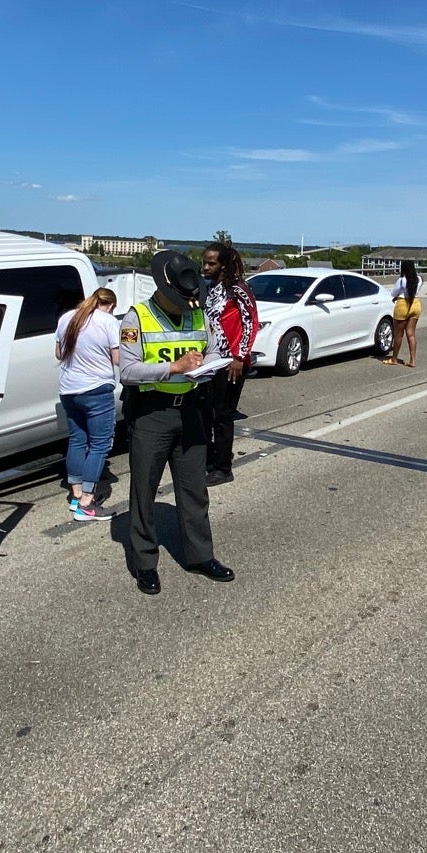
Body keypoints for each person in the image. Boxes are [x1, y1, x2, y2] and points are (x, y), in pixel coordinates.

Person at [117, 250, 234, 595]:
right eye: (179, 302)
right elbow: (128, 371)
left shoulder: (197, 313)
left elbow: (215, 348)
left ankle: (201, 556)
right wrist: (174, 368)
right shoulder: (137, 318)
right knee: (144, 490)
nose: (186, 307)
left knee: (194, 489)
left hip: (191, 411)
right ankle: (145, 562)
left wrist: (208, 364)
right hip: (152, 413)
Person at [55, 287, 121, 521]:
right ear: (110, 305)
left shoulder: (66, 318)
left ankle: (75, 496)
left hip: (68, 389)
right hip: (96, 389)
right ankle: (87, 504)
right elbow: (117, 359)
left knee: (77, 440)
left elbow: (59, 354)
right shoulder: (108, 321)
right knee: (99, 445)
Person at [200, 241, 259, 486]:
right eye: (204, 262)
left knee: (223, 416)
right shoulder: (210, 287)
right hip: (210, 361)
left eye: (211, 263)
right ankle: (210, 458)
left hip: (231, 362)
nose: (205, 267)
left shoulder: (239, 289)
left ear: (223, 264)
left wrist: (239, 357)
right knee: (206, 412)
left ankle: (223, 468)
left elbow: (250, 322)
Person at [385, 260, 422, 366]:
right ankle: (412, 360)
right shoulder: (419, 279)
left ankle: (394, 359)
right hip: (415, 304)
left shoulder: (401, 280)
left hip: (403, 305)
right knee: (411, 334)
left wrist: (398, 296)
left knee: (398, 334)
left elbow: (393, 293)